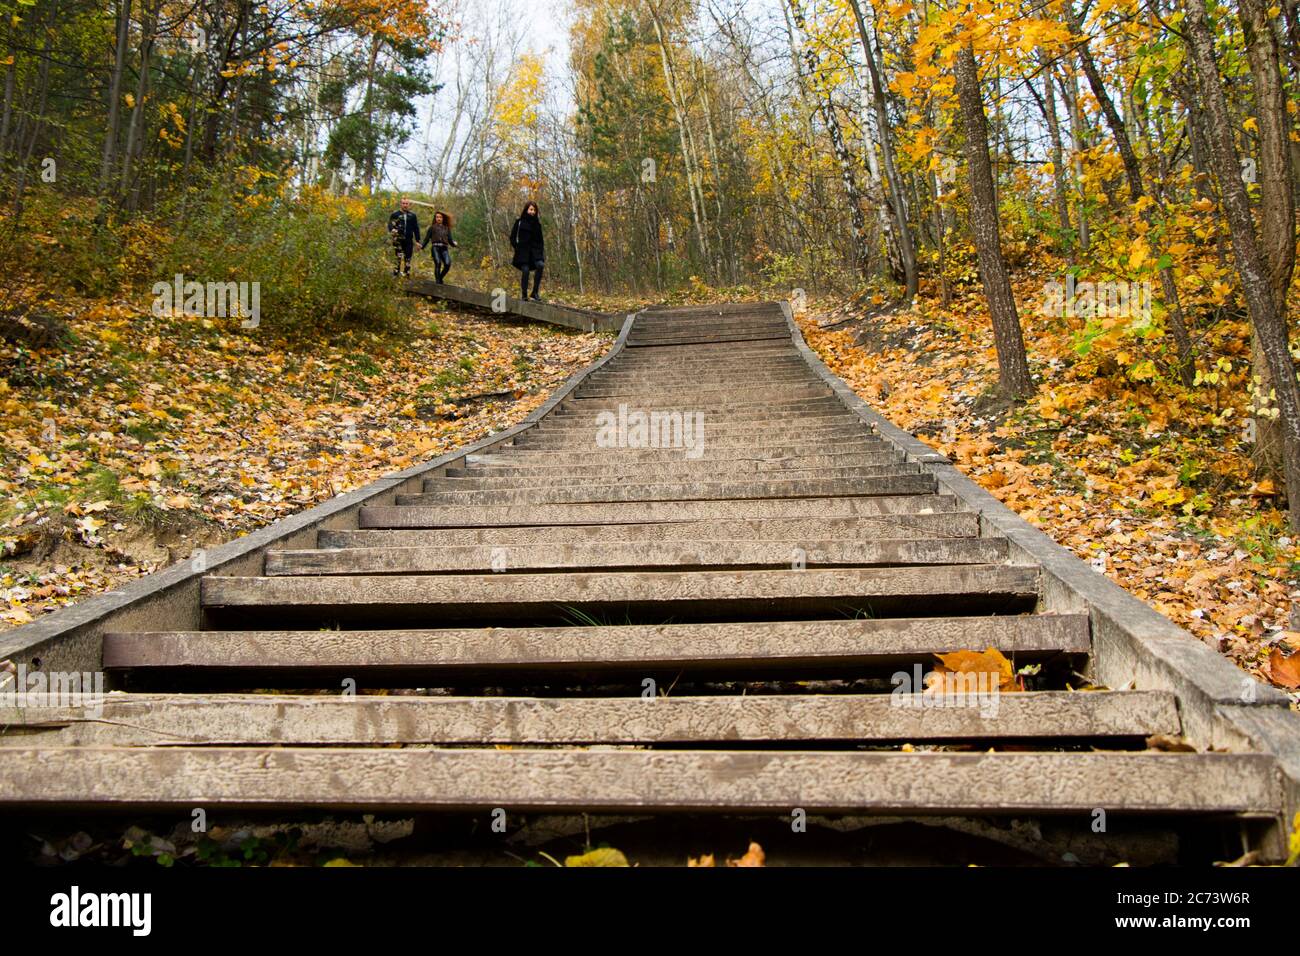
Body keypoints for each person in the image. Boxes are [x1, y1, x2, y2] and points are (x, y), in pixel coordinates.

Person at [509, 201, 545, 301]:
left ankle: (535, 292)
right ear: (526, 210)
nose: (533, 212)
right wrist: (517, 248)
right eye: (531, 209)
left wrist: (540, 251)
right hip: (523, 253)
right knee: (525, 271)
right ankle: (524, 295)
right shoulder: (519, 222)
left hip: (535, 253)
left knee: (541, 265)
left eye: (534, 210)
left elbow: (541, 240)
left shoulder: (537, 224)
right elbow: (512, 237)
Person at [419, 210, 458, 284]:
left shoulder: (447, 228)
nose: (438, 219)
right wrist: (421, 246)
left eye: (440, 217)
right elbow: (426, 239)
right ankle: (437, 282)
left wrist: (454, 244)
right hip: (435, 248)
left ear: (443, 218)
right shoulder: (432, 228)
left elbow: (450, 240)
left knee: (447, 264)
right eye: (437, 217)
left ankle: (440, 278)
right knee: (438, 263)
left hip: (444, 249)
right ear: (435, 218)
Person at [387, 197, 421, 277]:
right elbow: (390, 224)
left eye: (406, 203)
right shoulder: (395, 214)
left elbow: (416, 228)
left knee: (408, 257)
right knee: (398, 257)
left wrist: (417, 241)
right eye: (403, 203)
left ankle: (406, 274)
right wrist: (392, 230)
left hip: (409, 240)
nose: (405, 205)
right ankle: (396, 274)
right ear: (400, 204)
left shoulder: (412, 216)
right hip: (398, 240)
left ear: (409, 205)